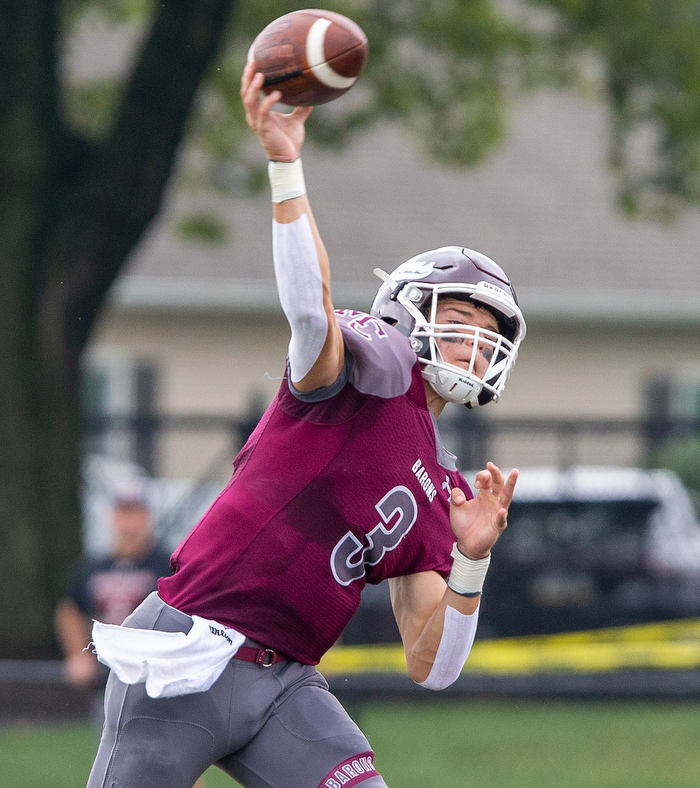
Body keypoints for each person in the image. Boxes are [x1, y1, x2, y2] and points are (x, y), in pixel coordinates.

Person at [84, 61, 527, 788]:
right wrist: (286, 165)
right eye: (457, 317)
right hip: (191, 650)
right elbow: (307, 312)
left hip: (285, 684)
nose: (474, 339)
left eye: (487, 327)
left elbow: (430, 666)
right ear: (407, 311)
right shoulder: (368, 370)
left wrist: (472, 561)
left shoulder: (443, 489)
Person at [56, 477, 173, 688]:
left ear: (148, 516)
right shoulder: (92, 566)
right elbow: (69, 609)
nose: (129, 521)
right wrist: (78, 655)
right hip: (106, 675)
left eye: (136, 512)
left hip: (153, 674)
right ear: (112, 516)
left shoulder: (167, 565)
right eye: (123, 512)